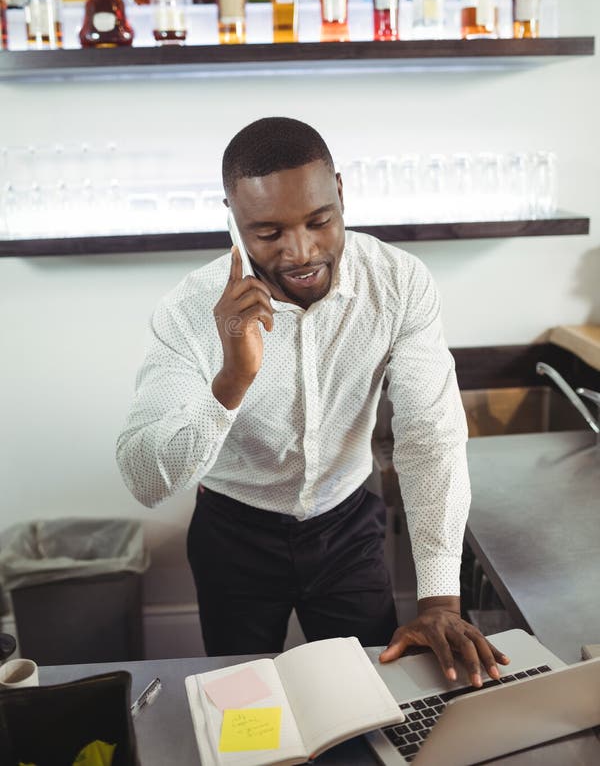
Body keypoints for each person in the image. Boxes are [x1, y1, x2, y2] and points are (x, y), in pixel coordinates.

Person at [116, 116, 509, 687]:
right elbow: (143, 479)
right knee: (246, 707)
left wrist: (441, 601)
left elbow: (431, 437)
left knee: (373, 694)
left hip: (348, 527)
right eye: (269, 233)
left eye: (319, 221)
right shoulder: (187, 311)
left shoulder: (399, 284)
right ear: (232, 218)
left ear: (341, 194)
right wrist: (233, 376)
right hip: (233, 536)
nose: (301, 252)